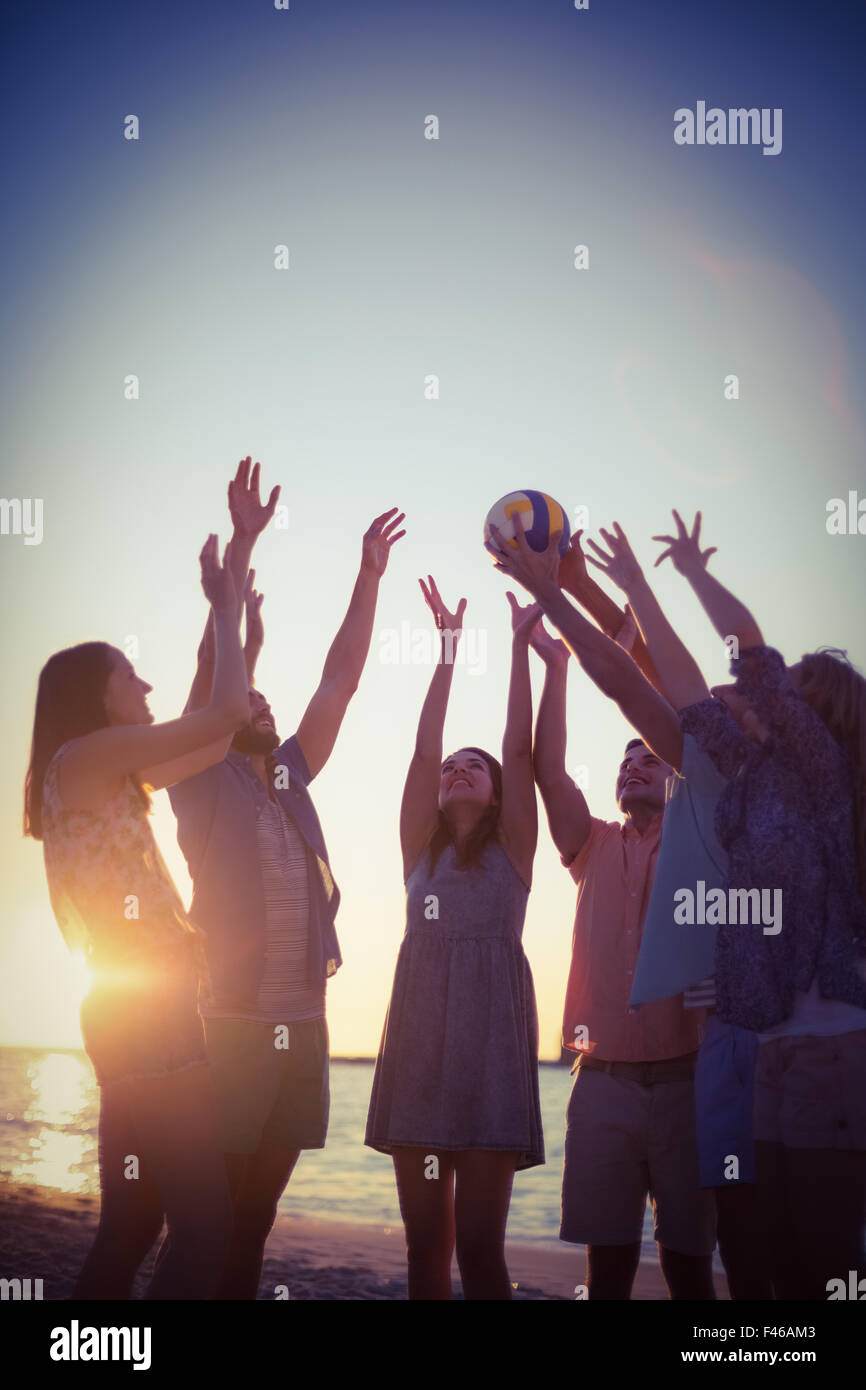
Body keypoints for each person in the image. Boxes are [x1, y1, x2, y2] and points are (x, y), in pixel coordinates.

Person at [168, 458, 405, 1298]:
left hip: (303, 1026)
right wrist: (238, 547)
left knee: (257, 1219)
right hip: (230, 1023)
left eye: (267, 703)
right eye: (251, 702)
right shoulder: (198, 778)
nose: (263, 708)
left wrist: (367, 577)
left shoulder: (289, 777)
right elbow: (210, 683)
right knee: (214, 1214)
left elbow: (339, 681)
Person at [487, 512, 716, 1300]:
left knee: (690, 1263)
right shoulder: (592, 848)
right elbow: (546, 765)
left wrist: (574, 589)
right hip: (604, 1082)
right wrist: (546, 661)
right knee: (607, 1267)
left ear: (675, 775)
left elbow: (644, 682)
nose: (635, 767)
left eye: (649, 759)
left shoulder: (698, 829)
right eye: (624, 762)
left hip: (689, 1080)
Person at [24, 534, 249, 1299]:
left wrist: (237, 572)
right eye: (129, 674)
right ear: (96, 695)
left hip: (130, 1007)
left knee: (131, 1225)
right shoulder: (87, 760)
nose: (144, 683)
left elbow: (213, 730)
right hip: (147, 1011)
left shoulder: (104, 771)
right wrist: (223, 607)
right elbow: (224, 712)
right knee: (207, 1226)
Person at [652, 509, 866, 1300]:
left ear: (823, 713)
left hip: (834, 1049)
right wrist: (632, 586)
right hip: (776, 1047)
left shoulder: (822, 764)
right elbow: (682, 693)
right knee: (763, 1259)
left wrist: (694, 573)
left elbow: (752, 656)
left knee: (824, 1270)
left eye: (792, 695)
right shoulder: (761, 773)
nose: (770, 701)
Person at [582, 519, 772, 1299]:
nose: (714, 699)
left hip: (780, 1036)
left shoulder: (788, 785)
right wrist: (576, 587)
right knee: (735, 1242)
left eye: (735, 696)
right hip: (722, 1038)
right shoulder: (700, 780)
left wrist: (682, 578)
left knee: (768, 1244)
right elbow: (632, 667)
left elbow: (732, 653)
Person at [365, 577, 543, 1300]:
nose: (455, 769)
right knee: (425, 1243)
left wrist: (520, 649)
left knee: (478, 1246)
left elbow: (522, 755)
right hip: (418, 1048)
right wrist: (445, 653)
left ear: (496, 793)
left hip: (494, 1050)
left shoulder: (517, 850)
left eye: (473, 767)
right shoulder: (419, 850)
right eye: (450, 769)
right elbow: (419, 752)